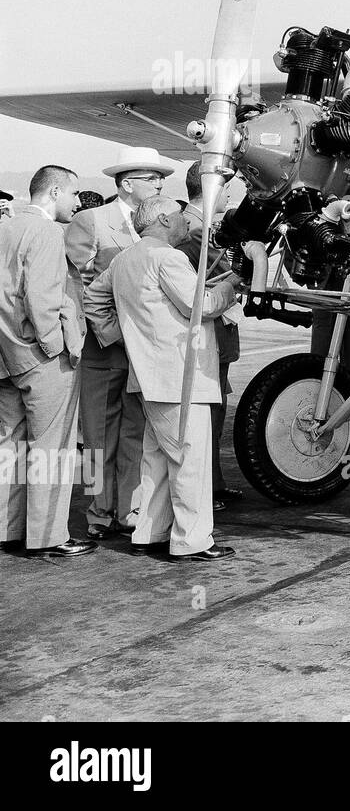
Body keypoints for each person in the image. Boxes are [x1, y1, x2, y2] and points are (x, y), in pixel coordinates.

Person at [82, 195, 240, 562]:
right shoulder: (167, 257)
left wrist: (124, 337)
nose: (187, 223)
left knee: (156, 459)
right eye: (181, 217)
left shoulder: (125, 258)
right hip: (180, 377)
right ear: (166, 220)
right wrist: (232, 285)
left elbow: (92, 297)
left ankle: (149, 532)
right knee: (190, 460)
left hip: (149, 376)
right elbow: (200, 305)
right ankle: (192, 540)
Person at [64, 145, 174, 540]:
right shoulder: (91, 221)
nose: (160, 182)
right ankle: (98, 513)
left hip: (142, 352)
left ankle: (129, 511)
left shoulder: (161, 224)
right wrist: (110, 334)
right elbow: (76, 286)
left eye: (161, 176)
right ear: (127, 184)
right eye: (151, 177)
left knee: (134, 434)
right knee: (97, 439)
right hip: (103, 349)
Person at [0, 166, 94, 558]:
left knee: (10, 446)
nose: (76, 202)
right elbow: (42, 299)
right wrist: (56, 346)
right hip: (39, 357)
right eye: (73, 194)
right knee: (51, 449)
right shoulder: (44, 232)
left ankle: (7, 528)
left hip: (6, 355)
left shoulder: (6, 227)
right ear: (54, 191)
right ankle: (48, 536)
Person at [177, 162, 242, 507]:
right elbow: (230, 278)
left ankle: (213, 485)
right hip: (208, 335)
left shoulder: (202, 226)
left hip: (217, 335)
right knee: (206, 414)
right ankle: (204, 489)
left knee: (215, 413)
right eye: (225, 185)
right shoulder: (196, 230)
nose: (230, 193)